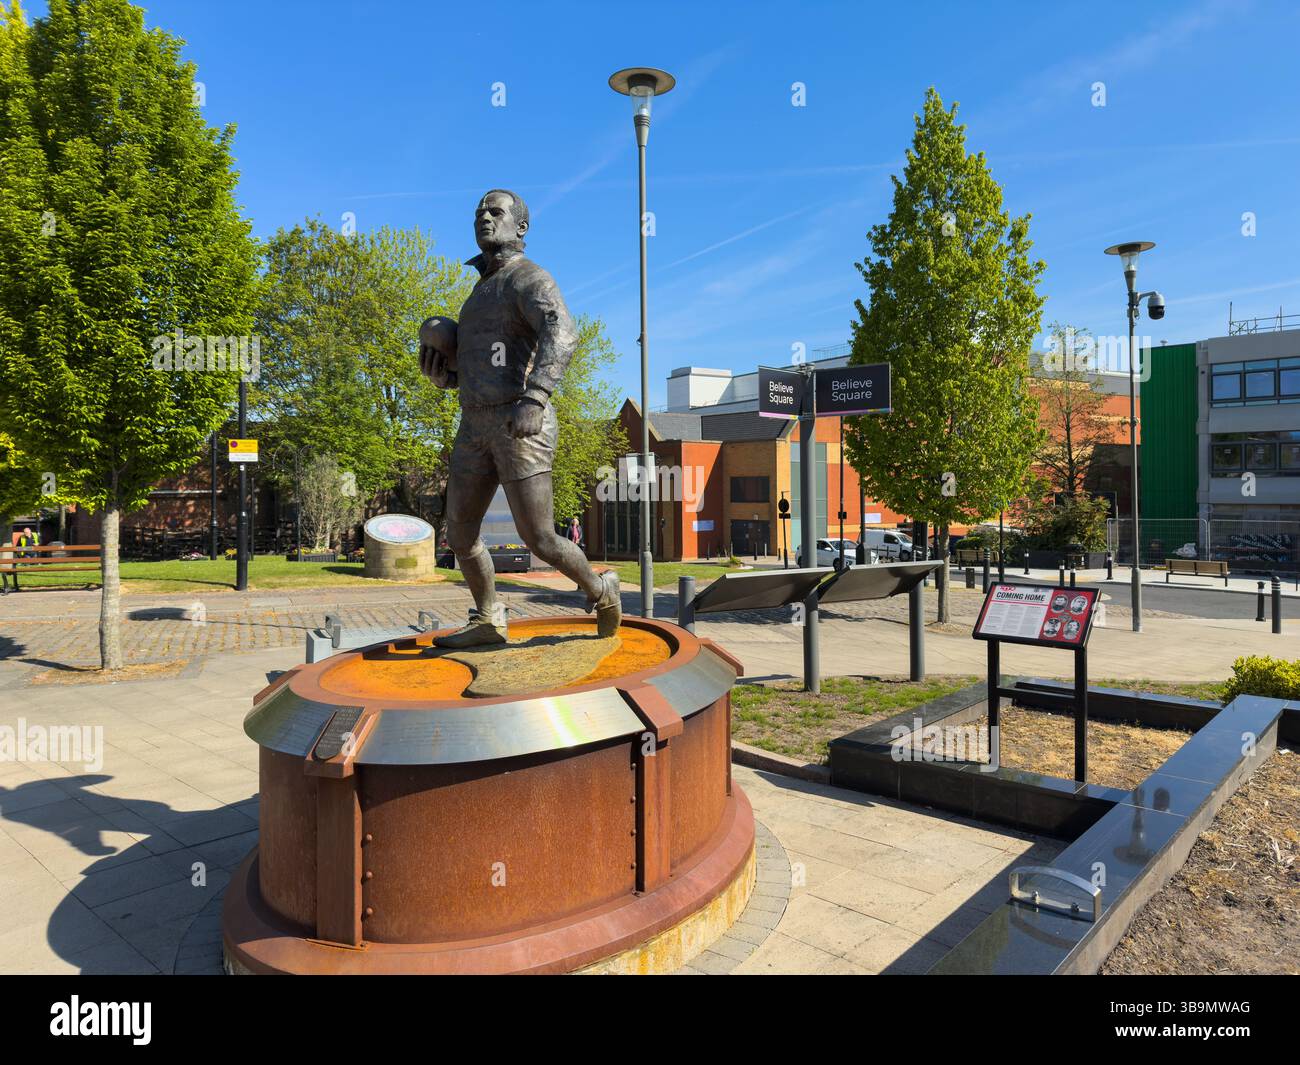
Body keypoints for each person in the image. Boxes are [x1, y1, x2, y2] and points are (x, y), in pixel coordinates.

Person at [418, 189, 621, 647]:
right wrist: (445, 378)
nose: (484, 218)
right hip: (474, 424)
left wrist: (535, 397)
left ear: (520, 227)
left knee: (539, 538)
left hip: (519, 420)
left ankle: (600, 587)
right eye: (478, 213)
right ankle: (489, 617)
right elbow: (483, 366)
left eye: (496, 212)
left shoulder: (528, 278)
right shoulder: (477, 294)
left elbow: (563, 333)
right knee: (460, 533)